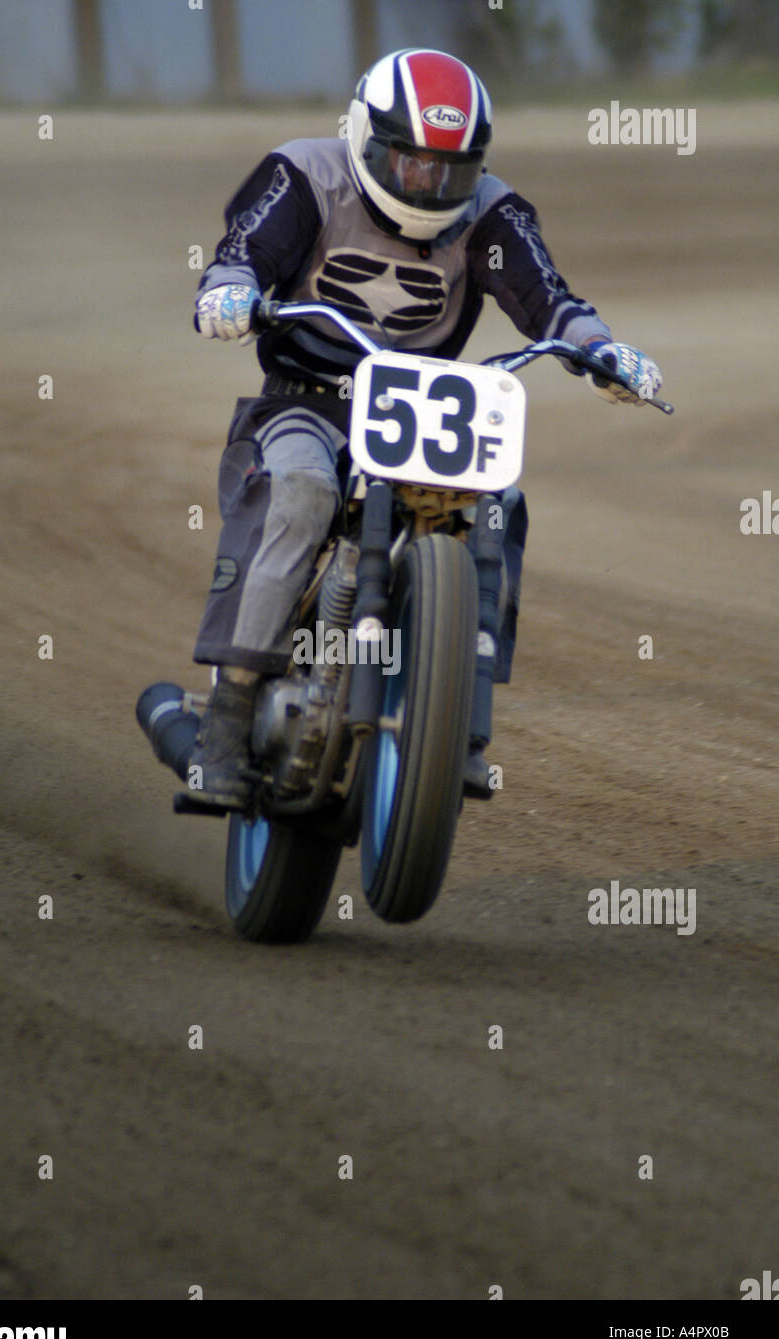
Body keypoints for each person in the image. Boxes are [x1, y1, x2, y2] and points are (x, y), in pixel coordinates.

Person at [138, 48, 663, 810]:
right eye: (411, 161)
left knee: (497, 507)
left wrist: (601, 350)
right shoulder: (305, 174)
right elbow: (241, 255)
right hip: (306, 400)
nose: (427, 183)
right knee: (300, 494)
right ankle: (227, 719)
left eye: (449, 169)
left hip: (421, 405)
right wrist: (229, 292)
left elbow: (549, 300)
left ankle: (460, 727)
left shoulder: (492, 212)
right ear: (366, 136)